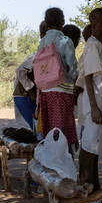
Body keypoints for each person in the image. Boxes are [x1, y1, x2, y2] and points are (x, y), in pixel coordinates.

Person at [75, 8, 102, 194]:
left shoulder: (99, 44)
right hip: (94, 104)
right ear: (96, 24)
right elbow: (89, 78)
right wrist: (94, 107)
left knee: (95, 145)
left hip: (99, 102)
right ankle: (85, 187)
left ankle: (92, 186)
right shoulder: (92, 44)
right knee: (89, 146)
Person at [34, 8, 79, 147]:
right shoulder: (65, 40)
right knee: (63, 131)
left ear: (46, 23)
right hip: (62, 91)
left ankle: (50, 160)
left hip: (46, 92)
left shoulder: (43, 42)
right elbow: (72, 67)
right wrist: (73, 81)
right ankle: (63, 162)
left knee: (51, 131)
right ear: (62, 21)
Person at [11, 22, 48, 131]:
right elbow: (20, 71)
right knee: (36, 129)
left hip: (32, 97)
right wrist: (31, 90)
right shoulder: (36, 56)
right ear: (42, 34)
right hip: (24, 96)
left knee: (38, 129)